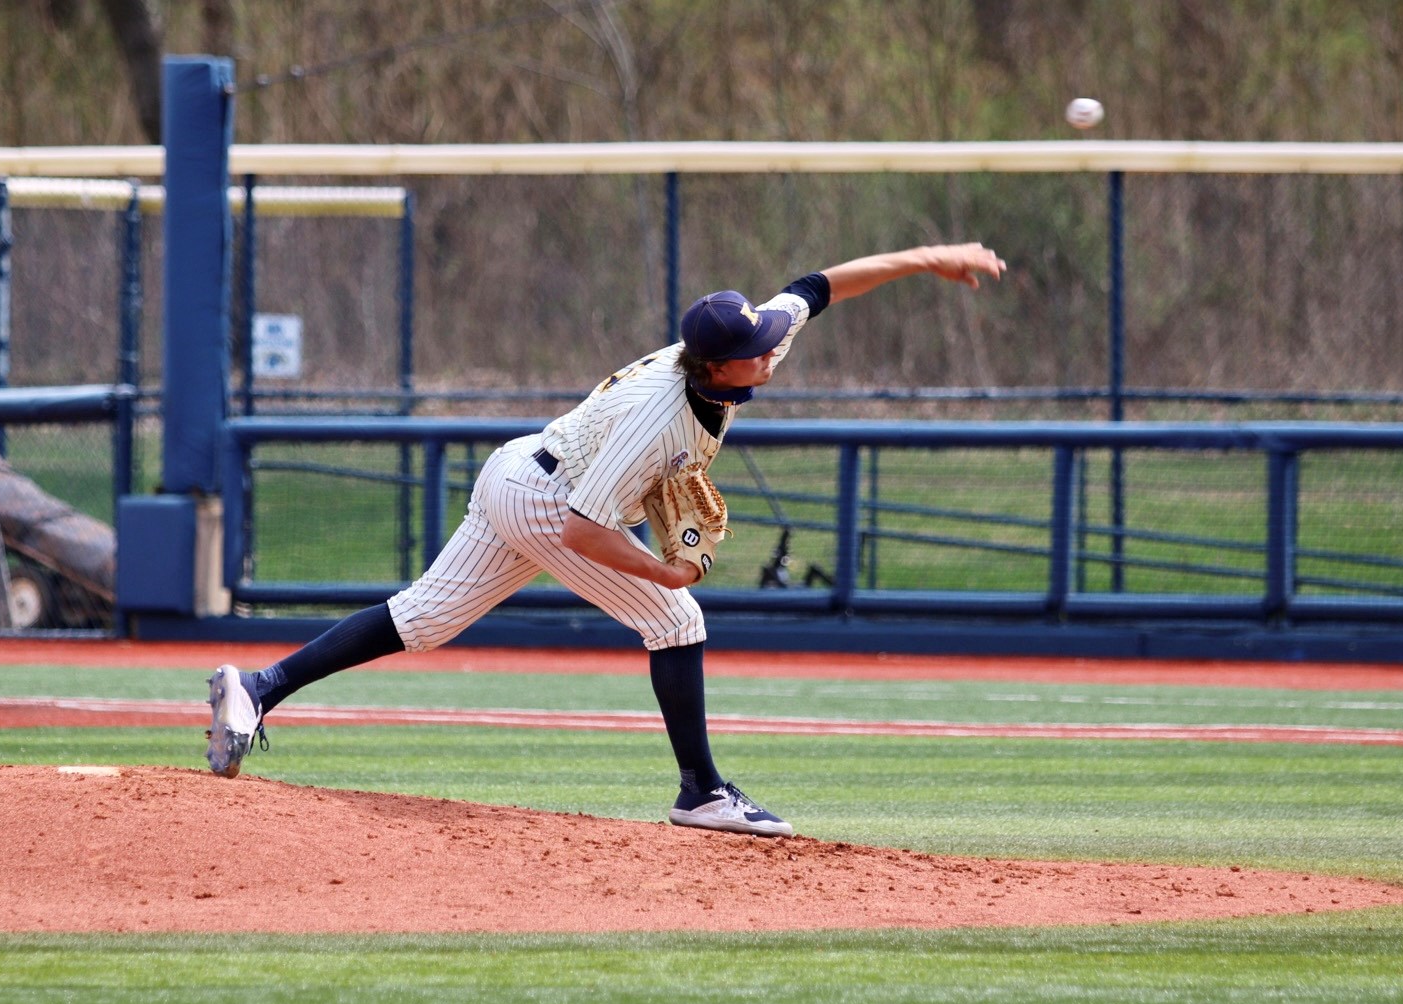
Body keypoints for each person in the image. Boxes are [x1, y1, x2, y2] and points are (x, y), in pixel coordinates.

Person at [206, 242, 1007, 833]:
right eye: (757, 346)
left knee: (423, 618)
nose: (772, 345)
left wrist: (931, 258)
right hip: (553, 501)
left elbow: (816, 287)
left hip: (523, 468)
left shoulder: (729, 350)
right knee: (677, 621)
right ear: (723, 368)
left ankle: (261, 684)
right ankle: (702, 792)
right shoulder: (656, 421)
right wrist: (662, 575)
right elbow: (588, 530)